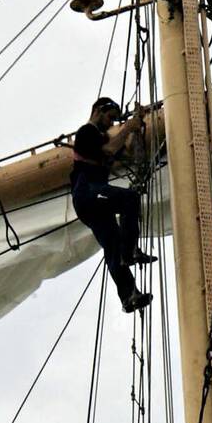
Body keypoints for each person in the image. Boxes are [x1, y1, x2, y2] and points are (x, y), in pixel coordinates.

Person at [70, 98, 154, 313]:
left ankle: (129, 296)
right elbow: (109, 151)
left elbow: (121, 151)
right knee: (130, 199)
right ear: (98, 110)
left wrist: (136, 124)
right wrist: (128, 128)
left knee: (112, 244)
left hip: (90, 200)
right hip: (88, 191)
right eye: (109, 118)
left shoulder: (101, 136)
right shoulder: (86, 132)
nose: (110, 123)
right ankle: (131, 251)